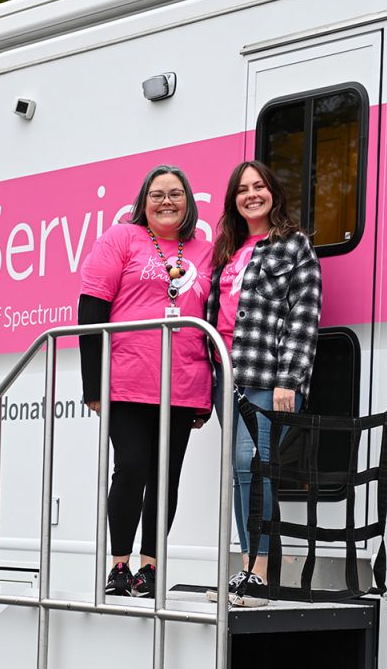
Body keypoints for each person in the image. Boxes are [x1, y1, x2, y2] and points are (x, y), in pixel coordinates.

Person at [78, 165, 214, 599]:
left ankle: (149, 567)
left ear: (189, 202)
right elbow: (91, 308)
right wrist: (93, 384)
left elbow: (215, 320)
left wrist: (207, 395)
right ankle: (119, 565)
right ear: (143, 201)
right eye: (157, 194)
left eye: (176, 194)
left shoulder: (206, 250)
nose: (166, 201)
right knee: (132, 466)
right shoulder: (121, 237)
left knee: (165, 477)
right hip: (127, 380)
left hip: (184, 383)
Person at [205, 160, 321, 606]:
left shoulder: (294, 245)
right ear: (233, 200)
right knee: (241, 473)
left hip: (269, 378)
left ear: (273, 192)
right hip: (227, 377)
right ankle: (249, 566)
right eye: (242, 189)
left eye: (259, 186)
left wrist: (289, 379)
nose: (251, 195)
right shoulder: (228, 250)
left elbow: (304, 314)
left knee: (253, 464)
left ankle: (261, 571)